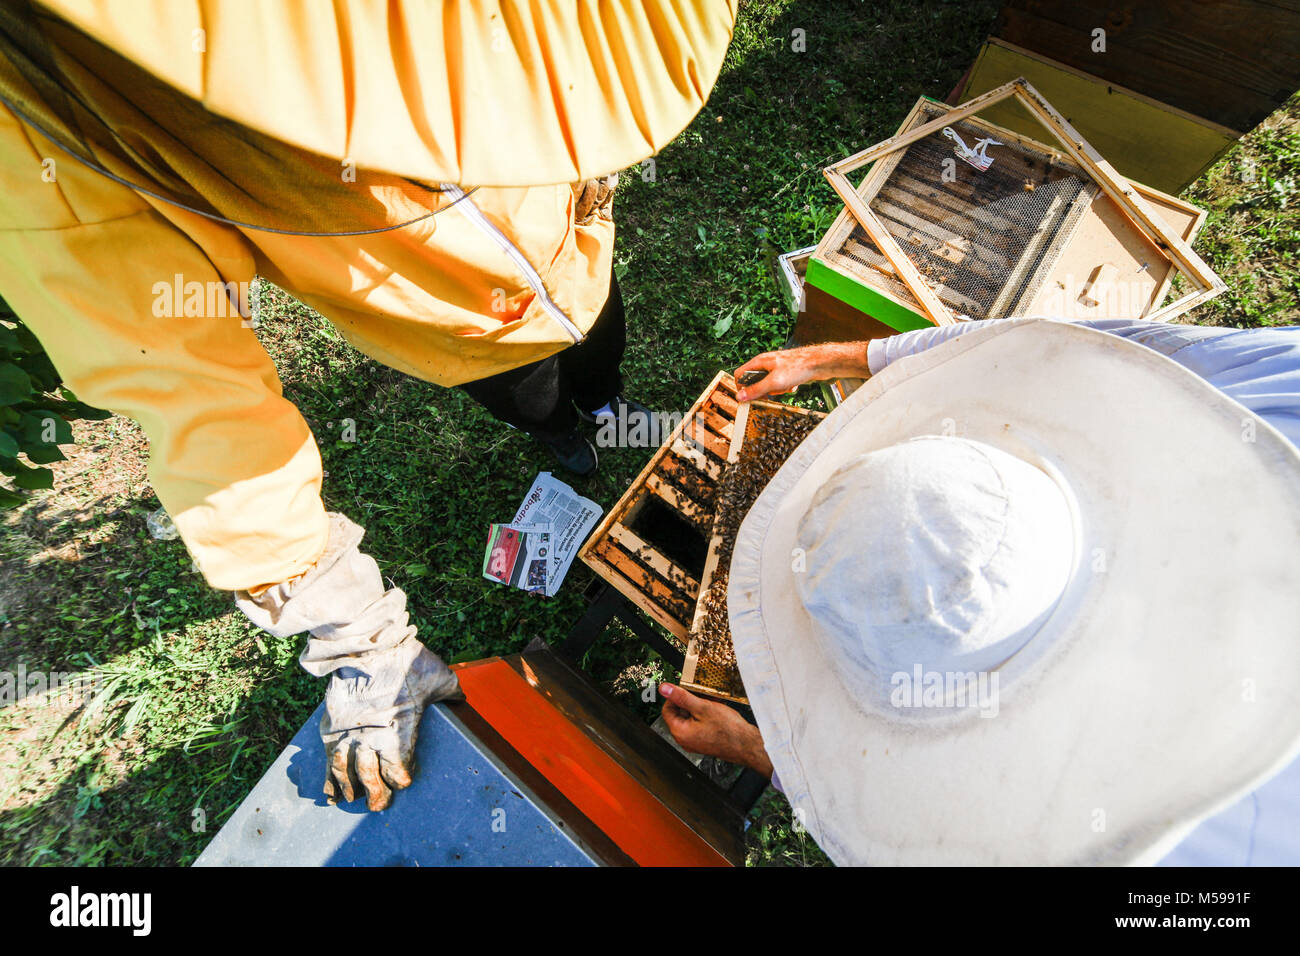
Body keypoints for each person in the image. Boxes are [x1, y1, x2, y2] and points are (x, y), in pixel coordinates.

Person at [0, 1, 737, 811]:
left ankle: (601, 403)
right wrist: (356, 640)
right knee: (534, 400)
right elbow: (183, 389)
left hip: (571, 236)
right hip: (458, 329)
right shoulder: (38, 105)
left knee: (600, 350)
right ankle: (564, 432)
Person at [661, 316, 1300, 865]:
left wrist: (760, 748)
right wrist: (845, 356)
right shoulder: (1279, 387)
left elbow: (922, 836)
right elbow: (1060, 343)